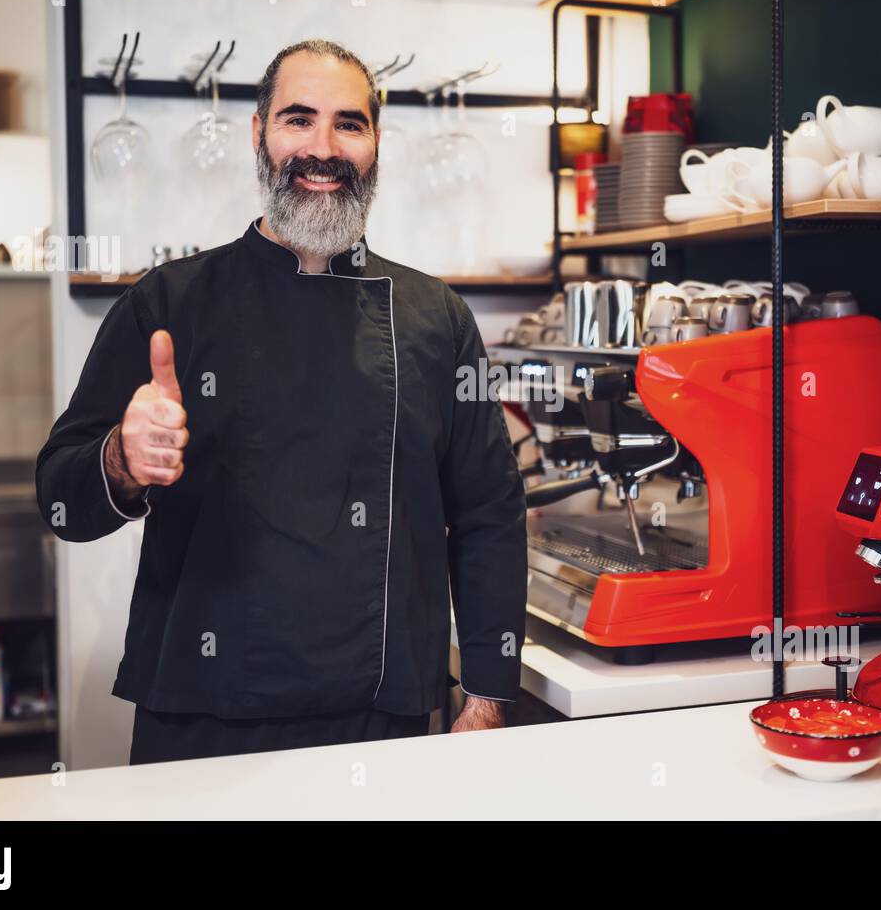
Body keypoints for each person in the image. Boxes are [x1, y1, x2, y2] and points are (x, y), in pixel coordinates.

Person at [36, 39, 527, 765]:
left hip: (380, 720)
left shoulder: (436, 317)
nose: (322, 149)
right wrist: (121, 459)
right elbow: (58, 501)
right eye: (298, 120)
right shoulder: (170, 302)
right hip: (201, 718)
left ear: (375, 144)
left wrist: (486, 699)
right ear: (258, 134)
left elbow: (488, 512)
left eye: (349, 125)